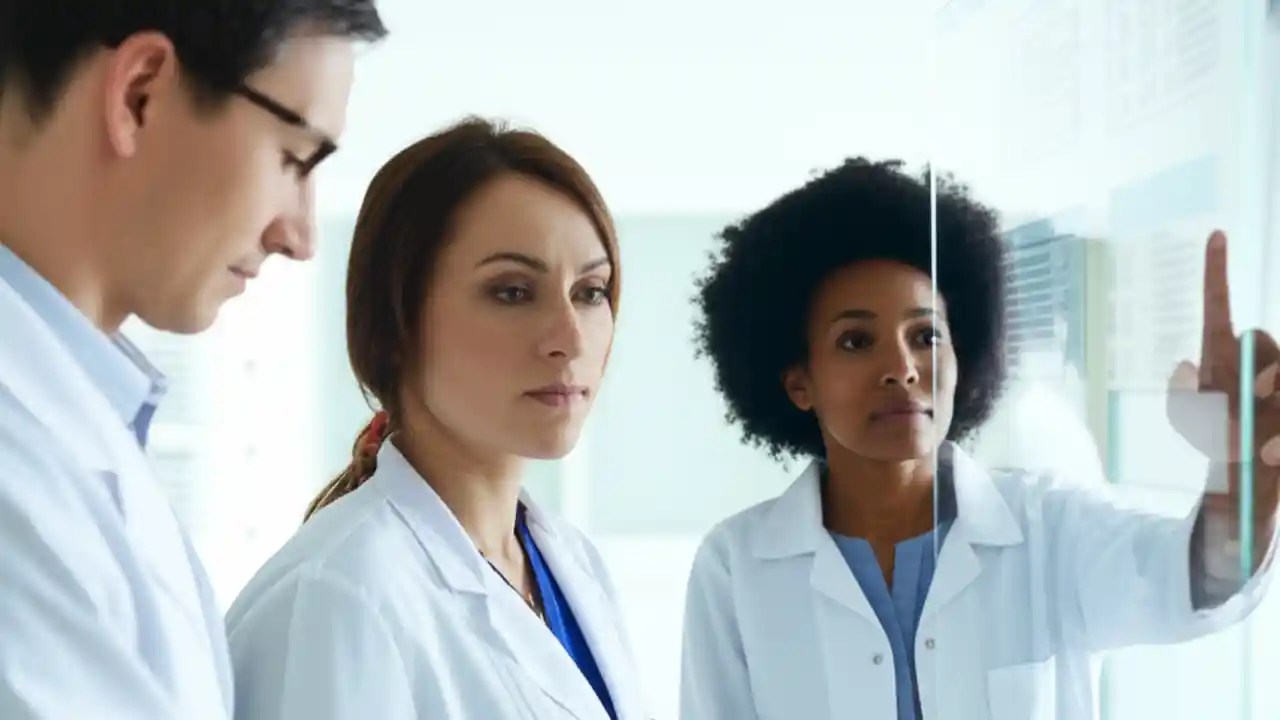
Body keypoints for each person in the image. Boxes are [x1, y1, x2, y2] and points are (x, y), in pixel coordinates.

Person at [679, 158, 1279, 720]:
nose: (903, 368)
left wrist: (1243, 472)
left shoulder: (1049, 527)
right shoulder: (736, 568)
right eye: (856, 342)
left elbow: (1194, 581)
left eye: (926, 336)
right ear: (797, 381)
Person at [0, 2, 386, 717]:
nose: (299, 235)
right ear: (139, 95)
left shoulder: (80, 424)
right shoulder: (20, 468)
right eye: (293, 158)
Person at [225, 118, 649, 720]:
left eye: (590, 291)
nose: (569, 338)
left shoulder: (571, 566)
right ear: (396, 324)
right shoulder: (339, 596)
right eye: (512, 292)